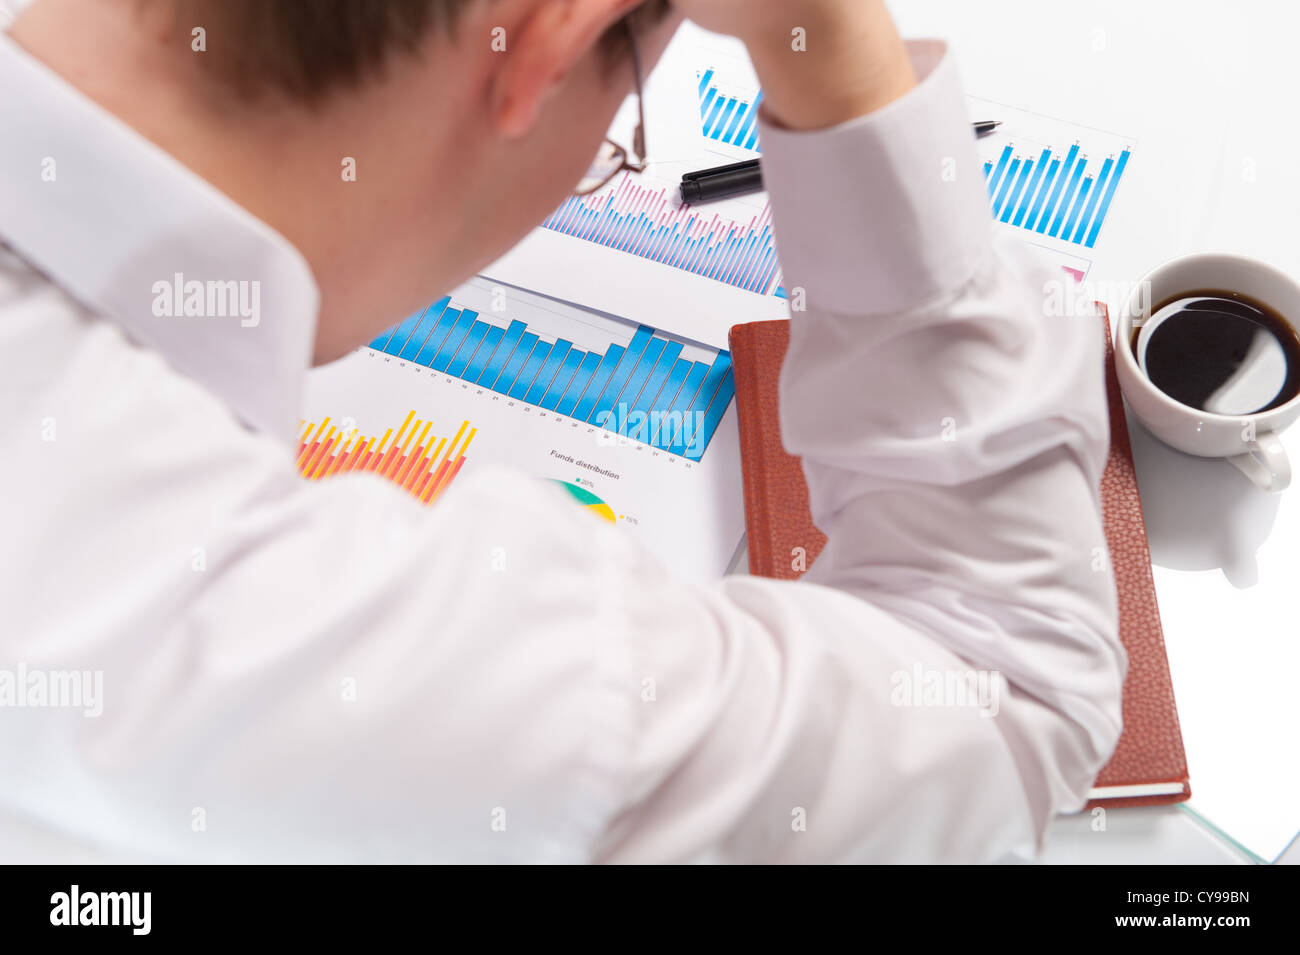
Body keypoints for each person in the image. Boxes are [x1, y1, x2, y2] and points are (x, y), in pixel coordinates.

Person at [0, 0, 1124, 863]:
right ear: (553, 33)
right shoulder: (363, 651)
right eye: (621, 127)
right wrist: (833, 50)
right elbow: (1006, 699)